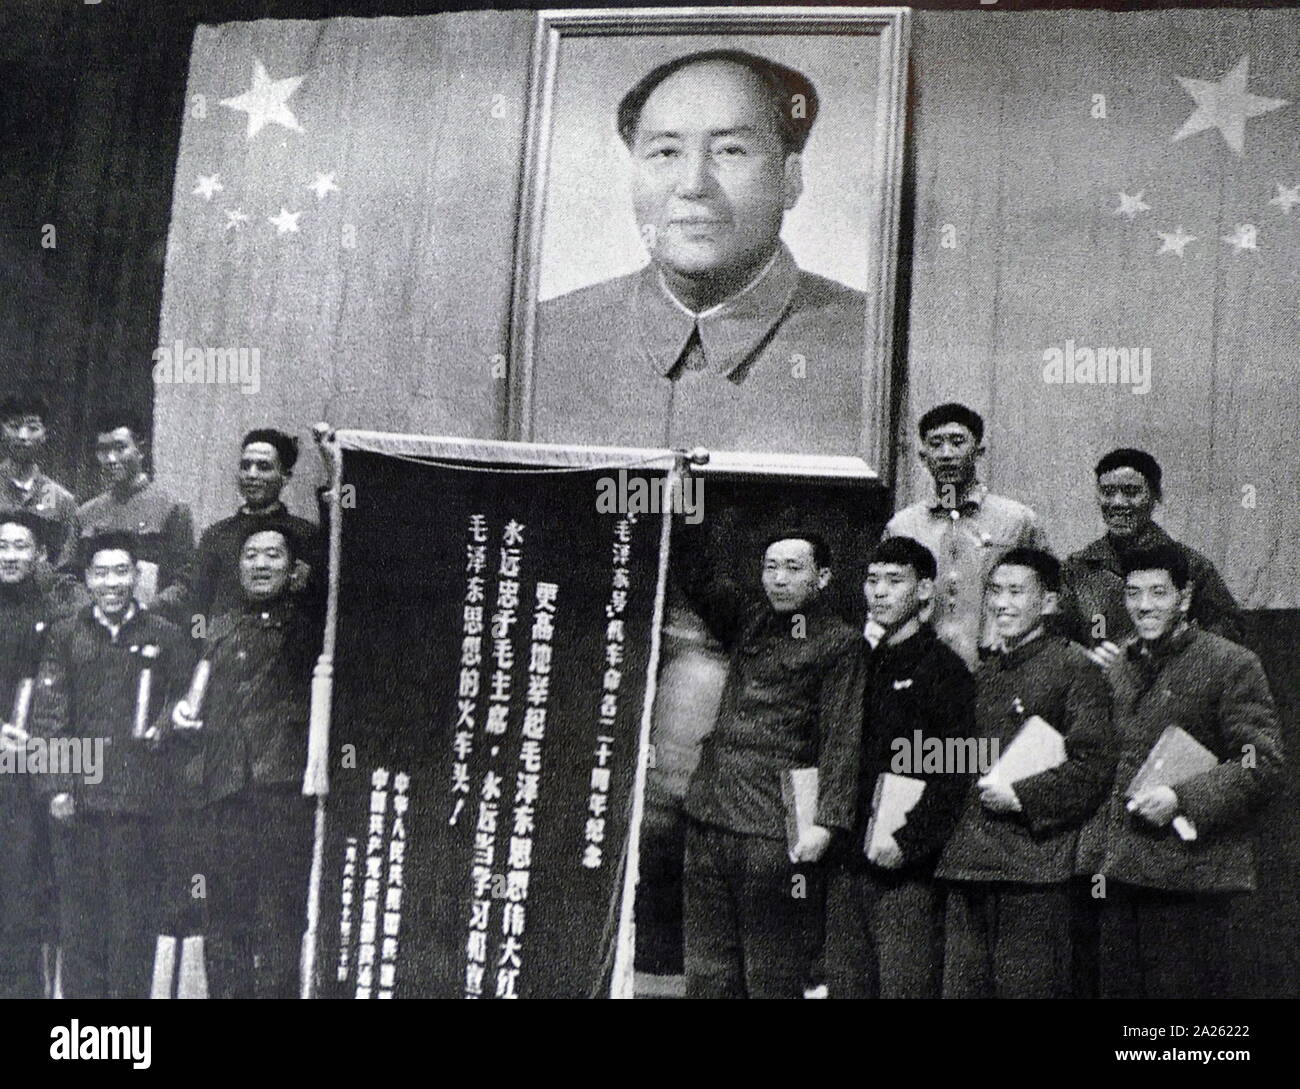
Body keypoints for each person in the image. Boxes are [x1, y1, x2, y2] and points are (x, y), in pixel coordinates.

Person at [533, 49, 866, 455]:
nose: (693, 185)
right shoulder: (542, 341)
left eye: (730, 150)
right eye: (666, 153)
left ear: (790, 180)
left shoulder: (871, 343)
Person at [1076, 543, 1281, 999]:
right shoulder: (1116, 665)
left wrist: (1181, 799)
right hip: (1118, 870)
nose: (1144, 606)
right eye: (1133, 594)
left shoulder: (1231, 663)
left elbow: (1259, 760)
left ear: (1184, 598)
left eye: (1158, 593)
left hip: (1190, 875)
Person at [678, 524, 865, 998]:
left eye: (793, 568)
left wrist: (828, 823)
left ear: (822, 578)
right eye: (770, 567)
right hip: (710, 812)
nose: (778, 579)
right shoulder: (749, 620)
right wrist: (684, 498)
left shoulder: (841, 643)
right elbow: (697, 578)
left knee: (771, 971)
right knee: (708, 970)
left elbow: (842, 738)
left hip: (774, 827)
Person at [936, 547, 1114, 999]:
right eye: (995, 591)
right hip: (969, 863)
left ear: (1050, 603)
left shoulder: (1076, 669)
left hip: (1034, 870)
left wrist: (1021, 796)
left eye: (1017, 592)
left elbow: (1093, 767)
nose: (1001, 604)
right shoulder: (986, 672)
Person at [30, 530, 190, 998]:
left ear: (138, 577)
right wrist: (59, 787)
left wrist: (168, 721)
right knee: (80, 930)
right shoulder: (66, 633)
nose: (112, 583)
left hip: (142, 809)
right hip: (79, 805)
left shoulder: (166, 635)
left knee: (133, 929)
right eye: (101, 573)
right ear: (87, 579)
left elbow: (186, 702)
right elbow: (49, 714)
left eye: (122, 572)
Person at [169, 522, 320, 998]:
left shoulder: (310, 626)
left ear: (293, 569)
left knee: (278, 919)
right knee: (225, 920)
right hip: (225, 790)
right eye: (250, 556)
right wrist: (176, 711)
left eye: (273, 556)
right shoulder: (219, 626)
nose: (260, 564)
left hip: (282, 790)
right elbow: (194, 690)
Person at [822, 536, 974, 999]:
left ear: (925, 591)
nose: (880, 593)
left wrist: (908, 842)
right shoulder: (859, 661)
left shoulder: (944, 670)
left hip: (907, 872)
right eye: (872, 581)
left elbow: (955, 773)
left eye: (894, 581)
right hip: (848, 861)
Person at [883, 403, 1047, 669]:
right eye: (936, 444)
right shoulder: (903, 527)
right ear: (923, 456)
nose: (946, 454)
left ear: (978, 451)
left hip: (996, 669)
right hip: (920, 671)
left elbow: (1049, 596)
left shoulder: (1017, 521)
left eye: (958, 442)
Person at [1057, 448, 1243, 666]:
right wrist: (1085, 658)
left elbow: (1230, 630)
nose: (1117, 502)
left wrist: (1176, 650)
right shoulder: (1079, 568)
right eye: (1107, 492)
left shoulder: (1190, 565)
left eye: (1131, 491)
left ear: (1156, 496)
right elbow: (1058, 637)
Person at [175, 428, 321, 625]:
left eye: (263, 467)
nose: (252, 475)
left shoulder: (305, 535)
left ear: (285, 476)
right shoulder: (216, 535)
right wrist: (199, 647)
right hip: (223, 647)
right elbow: (199, 605)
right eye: (245, 466)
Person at [0, 511, 59, 998]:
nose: (10, 555)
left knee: (18, 895)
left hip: (21, 771)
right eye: (2, 546)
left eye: (21, 546)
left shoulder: (54, 617)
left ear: (40, 555)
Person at [72, 409, 194, 615]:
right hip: (96, 628)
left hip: (149, 623)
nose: (111, 459)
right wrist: (91, 608)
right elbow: (67, 576)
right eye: (103, 450)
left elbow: (186, 580)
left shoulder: (172, 509)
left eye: (120, 448)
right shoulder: (86, 514)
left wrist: (148, 609)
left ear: (141, 449)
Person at [0, 392, 79, 572]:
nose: (23, 435)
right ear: (2, 431)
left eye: (32, 428)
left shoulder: (59, 499)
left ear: (44, 435)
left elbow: (65, 568)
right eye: (14, 426)